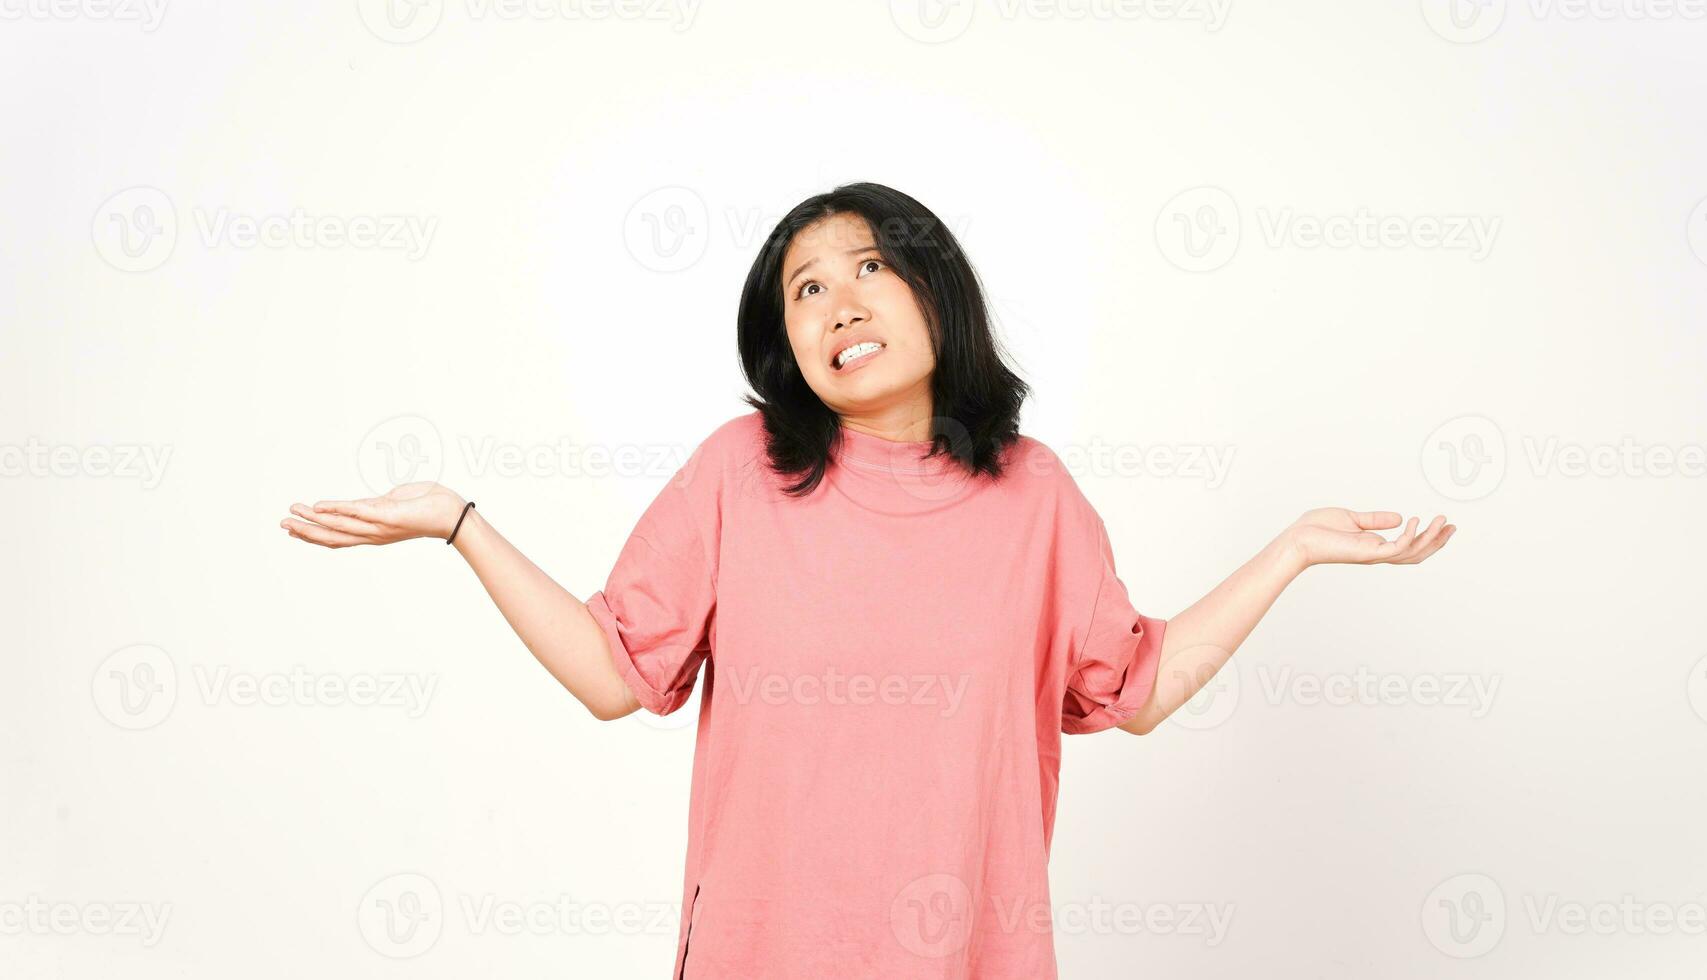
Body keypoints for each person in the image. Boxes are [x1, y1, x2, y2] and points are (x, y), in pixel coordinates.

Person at [281, 182, 1455, 978]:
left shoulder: (1032, 495)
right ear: (783, 341)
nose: (838, 300)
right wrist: (459, 524)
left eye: (870, 268)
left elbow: (1133, 686)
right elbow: (610, 670)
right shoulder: (740, 474)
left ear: (933, 292)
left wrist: (1292, 547)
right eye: (803, 288)